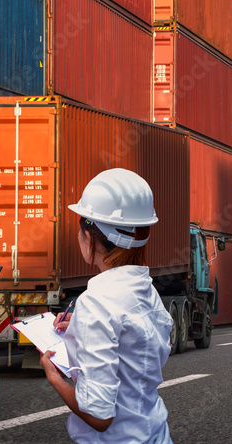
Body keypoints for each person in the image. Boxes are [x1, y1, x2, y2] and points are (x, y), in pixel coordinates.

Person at [41, 168, 174, 443]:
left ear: (89, 239)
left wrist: (55, 379)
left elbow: (100, 418)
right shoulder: (146, 291)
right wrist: (81, 330)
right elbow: (134, 351)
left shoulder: (96, 303)